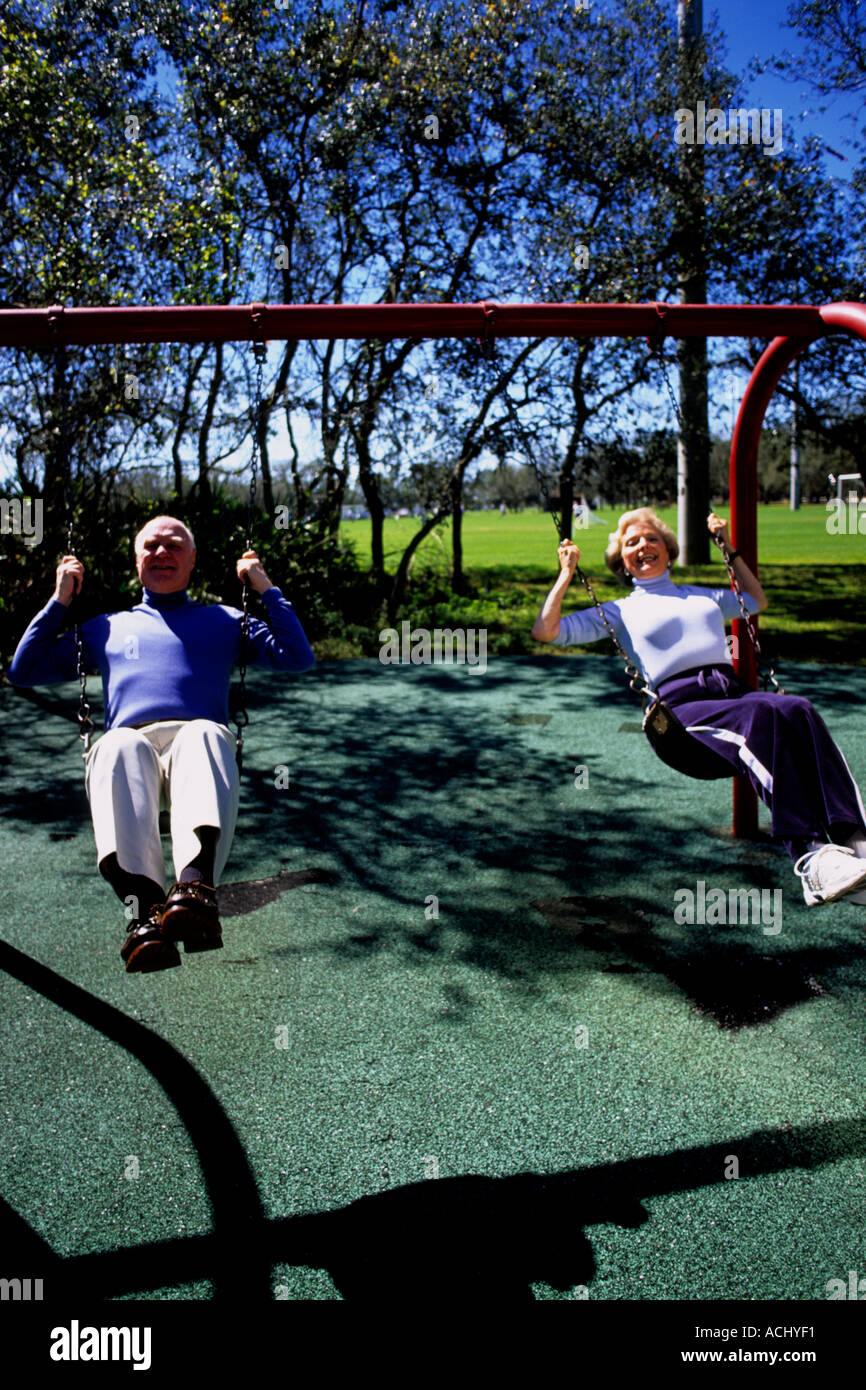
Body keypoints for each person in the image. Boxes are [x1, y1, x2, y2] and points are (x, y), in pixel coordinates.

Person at [8, 516, 316, 973]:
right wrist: (60, 600)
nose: (161, 552)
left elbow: (297, 656)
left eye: (174, 545)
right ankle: (148, 912)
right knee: (115, 746)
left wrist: (263, 584)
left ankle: (194, 891)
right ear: (137, 561)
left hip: (197, 750)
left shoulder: (225, 620)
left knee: (204, 733)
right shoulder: (106, 627)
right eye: (150, 546)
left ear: (192, 560)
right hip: (134, 752)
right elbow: (23, 669)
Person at [532, 506, 866, 908]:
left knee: (797, 709)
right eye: (631, 543)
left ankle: (854, 840)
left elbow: (755, 600)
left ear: (668, 550)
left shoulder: (701, 596)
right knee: (760, 719)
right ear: (622, 561)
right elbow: (545, 631)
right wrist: (566, 573)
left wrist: (726, 547)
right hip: (680, 715)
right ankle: (812, 857)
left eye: (651, 539)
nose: (643, 546)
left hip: (733, 693)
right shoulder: (617, 611)